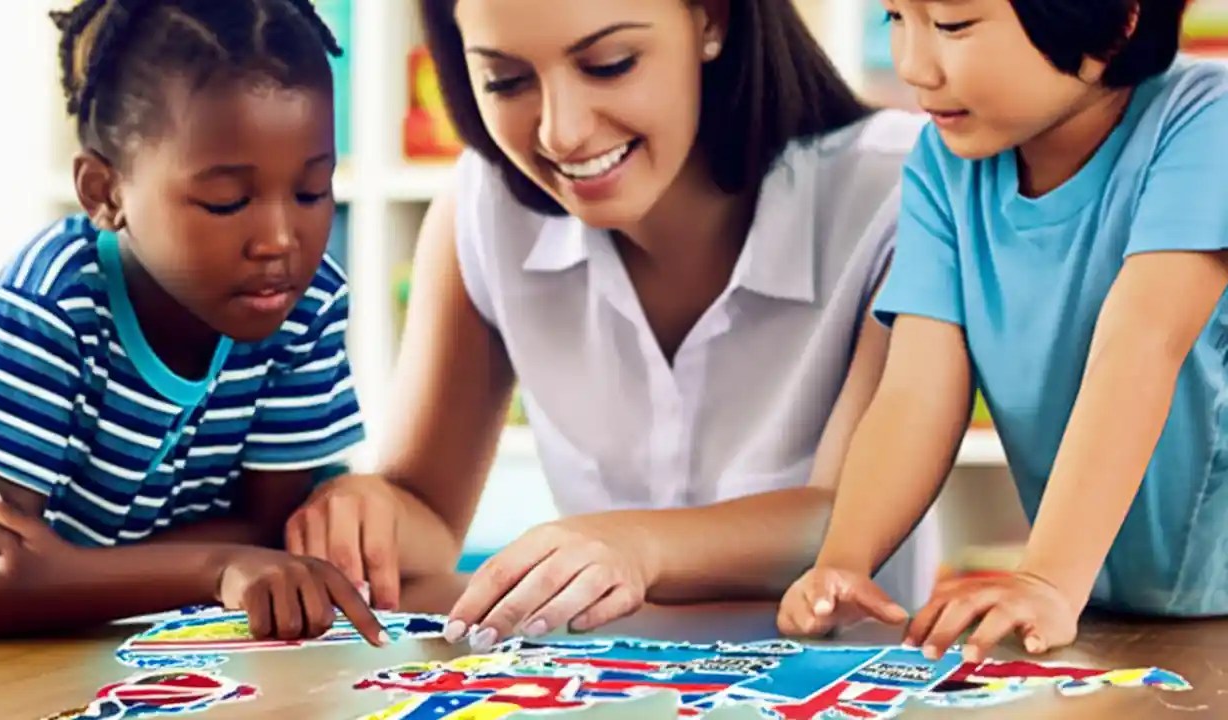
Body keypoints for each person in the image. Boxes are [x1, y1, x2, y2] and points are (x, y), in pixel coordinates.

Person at [288, 0, 933, 648]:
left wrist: (636, 545)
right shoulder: (484, 209)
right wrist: (368, 515)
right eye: (506, 81)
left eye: (609, 64)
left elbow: (848, 523)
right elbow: (425, 519)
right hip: (604, 685)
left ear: (711, 20)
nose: (561, 133)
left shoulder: (902, 192)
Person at [778, 0, 1228, 663]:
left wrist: (1046, 580)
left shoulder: (1208, 119)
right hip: (1115, 612)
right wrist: (843, 561)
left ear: (1118, 20)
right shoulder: (943, 165)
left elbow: (1142, 344)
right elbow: (916, 391)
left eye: (953, 25)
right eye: (894, 18)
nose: (914, 67)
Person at [0, 0, 384, 644]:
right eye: (227, 201)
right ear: (105, 193)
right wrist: (216, 566)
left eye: (311, 191)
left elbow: (272, 529)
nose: (279, 240)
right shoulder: (52, 302)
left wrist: (71, 574)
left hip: (137, 644)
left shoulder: (308, 304)